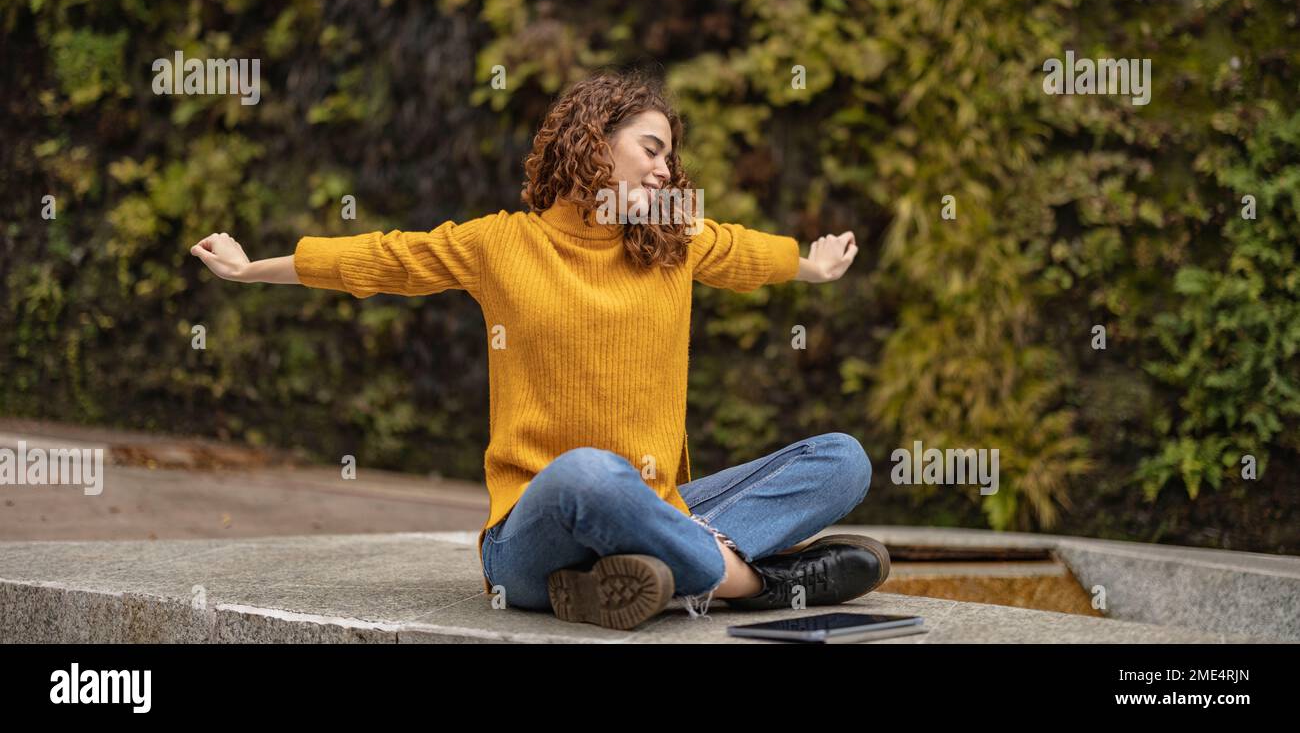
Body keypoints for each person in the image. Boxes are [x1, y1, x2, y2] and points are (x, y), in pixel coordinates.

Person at [190, 69, 889, 631]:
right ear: (594, 139)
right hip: (529, 538)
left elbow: (742, 251)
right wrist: (255, 269)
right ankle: (754, 583)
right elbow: (387, 259)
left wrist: (810, 265)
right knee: (589, 475)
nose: (665, 170)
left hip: (656, 506)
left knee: (840, 460)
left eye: (671, 158)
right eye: (651, 149)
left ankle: (645, 578)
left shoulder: (674, 243)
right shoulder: (502, 244)